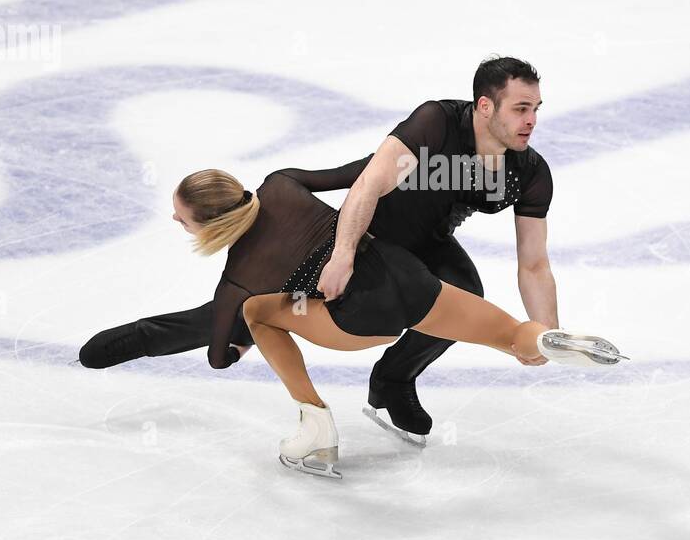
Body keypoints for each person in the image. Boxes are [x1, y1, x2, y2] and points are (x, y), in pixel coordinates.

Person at [78, 56, 560, 447]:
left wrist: (548, 334)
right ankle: (141, 337)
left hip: (427, 245)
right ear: (483, 107)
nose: (532, 120)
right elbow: (369, 179)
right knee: (236, 313)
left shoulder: (528, 172)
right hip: (366, 232)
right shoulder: (437, 122)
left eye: (535, 107)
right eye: (521, 108)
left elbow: (534, 264)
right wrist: (344, 253)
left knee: (465, 291)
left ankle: (392, 381)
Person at [165, 164, 623, 477]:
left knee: (256, 314)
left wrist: (249, 332)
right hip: (404, 276)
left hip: (360, 321)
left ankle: (316, 427)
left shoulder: (239, 277)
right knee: (508, 335)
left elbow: (218, 358)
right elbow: (361, 170)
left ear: (211, 223)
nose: (177, 221)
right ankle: (542, 340)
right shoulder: (281, 182)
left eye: (182, 219)